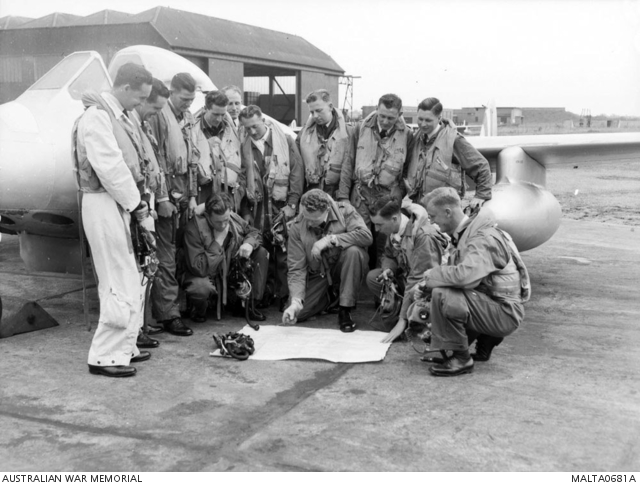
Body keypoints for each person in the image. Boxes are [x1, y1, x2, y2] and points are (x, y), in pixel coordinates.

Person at [73, 62, 156, 378]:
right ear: (125, 88)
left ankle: (125, 346)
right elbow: (109, 168)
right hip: (105, 203)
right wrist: (138, 206)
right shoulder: (97, 118)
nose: (141, 103)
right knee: (118, 278)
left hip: (119, 203)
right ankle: (105, 356)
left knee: (132, 275)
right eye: (140, 97)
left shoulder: (117, 116)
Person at [416, 187, 531, 377]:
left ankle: (461, 359)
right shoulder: (466, 234)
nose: (432, 222)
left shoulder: (482, 238)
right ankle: (480, 341)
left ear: (447, 212)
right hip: (494, 304)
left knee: (442, 295)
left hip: (505, 313)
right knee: (439, 292)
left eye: (433, 216)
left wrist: (431, 277)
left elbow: (464, 278)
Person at [148, 72, 212, 337]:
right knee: (166, 257)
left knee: (182, 254)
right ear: (172, 92)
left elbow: (193, 161)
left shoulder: (188, 118)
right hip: (167, 199)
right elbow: (156, 161)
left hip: (184, 197)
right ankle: (168, 315)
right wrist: (163, 198)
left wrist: (194, 195)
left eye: (192, 99)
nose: (188, 104)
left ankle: (181, 306)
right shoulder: (158, 117)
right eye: (184, 99)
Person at [239, 105, 304, 311]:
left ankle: (285, 295)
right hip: (257, 209)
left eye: (255, 126)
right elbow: (241, 181)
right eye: (247, 128)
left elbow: (296, 173)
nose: (251, 132)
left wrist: (292, 204)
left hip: (281, 206)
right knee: (263, 251)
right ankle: (265, 293)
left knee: (285, 253)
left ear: (264, 121)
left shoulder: (285, 141)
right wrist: (247, 212)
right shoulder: (243, 146)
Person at [283, 189, 372, 332]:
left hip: (341, 267)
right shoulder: (297, 226)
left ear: (327, 210)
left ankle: (345, 308)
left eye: (315, 220)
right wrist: (296, 301)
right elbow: (296, 268)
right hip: (319, 274)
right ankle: (330, 299)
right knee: (298, 314)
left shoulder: (345, 211)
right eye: (307, 217)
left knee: (354, 252)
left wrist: (331, 239)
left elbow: (366, 236)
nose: (310, 224)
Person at [338, 93, 414, 264]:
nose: (385, 121)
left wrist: (398, 195)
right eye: (382, 116)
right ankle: (359, 281)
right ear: (376, 110)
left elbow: (408, 170)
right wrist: (343, 197)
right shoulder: (359, 129)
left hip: (388, 196)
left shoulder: (408, 135)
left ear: (399, 114)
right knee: (358, 238)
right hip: (360, 195)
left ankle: (381, 282)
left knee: (384, 243)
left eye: (390, 117)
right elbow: (348, 162)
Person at [364, 196, 448, 343]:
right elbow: (389, 255)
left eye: (379, 224)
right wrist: (388, 269)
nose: (377, 230)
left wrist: (402, 321)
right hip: (409, 278)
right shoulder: (395, 230)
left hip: (432, 286)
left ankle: (412, 319)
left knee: (413, 313)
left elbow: (419, 279)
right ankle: (408, 315)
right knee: (374, 278)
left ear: (394, 219)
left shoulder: (423, 235)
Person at [180, 193, 268, 322]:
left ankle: (247, 304)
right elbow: (198, 268)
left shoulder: (232, 218)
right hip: (204, 273)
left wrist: (248, 243)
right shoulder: (194, 228)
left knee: (261, 253)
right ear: (208, 215)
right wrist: (218, 242)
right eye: (218, 222)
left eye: (225, 220)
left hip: (228, 267)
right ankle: (198, 309)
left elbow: (254, 232)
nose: (222, 225)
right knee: (201, 288)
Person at [131, 77, 172, 348]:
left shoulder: (142, 125)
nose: (158, 114)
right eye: (155, 108)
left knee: (147, 268)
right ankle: (135, 330)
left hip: (148, 206)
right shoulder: (130, 125)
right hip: (138, 208)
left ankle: (142, 326)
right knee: (137, 271)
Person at [405, 97, 492, 212]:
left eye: (428, 120)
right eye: (420, 119)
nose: (423, 124)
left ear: (439, 118)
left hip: (446, 212)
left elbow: (482, 166)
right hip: (420, 209)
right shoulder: (417, 139)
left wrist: (481, 195)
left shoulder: (454, 140)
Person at [297, 89, 354, 199]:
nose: (315, 115)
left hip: (337, 196)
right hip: (311, 195)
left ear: (331, 107)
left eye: (319, 110)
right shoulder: (303, 134)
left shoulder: (349, 133)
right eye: (312, 112)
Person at [195, 90, 245, 210]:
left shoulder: (233, 131)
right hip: (202, 194)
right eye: (215, 114)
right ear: (205, 109)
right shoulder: (192, 131)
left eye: (223, 114)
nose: (219, 119)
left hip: (228, 194)